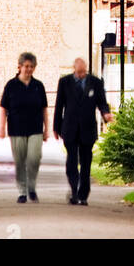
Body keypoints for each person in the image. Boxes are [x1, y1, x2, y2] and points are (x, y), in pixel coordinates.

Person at [51, 56, 112, 205]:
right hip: (70, 128)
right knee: (71, 161)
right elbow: (59, 106)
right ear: (74, 70)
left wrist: (106, 113)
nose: (81, 75)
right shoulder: (65, 82)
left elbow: (102, 102)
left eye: (83, 72)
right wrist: (56, 127)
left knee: (86, 162)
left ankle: (83, 194)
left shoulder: (95, 83)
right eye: (79, 72)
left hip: (87, 128)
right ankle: (74, 191)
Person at [0, 51, 48, 203]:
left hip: (35, 128)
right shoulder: (11, 86)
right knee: (19, 161)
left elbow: (44, 109)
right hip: (16, 128)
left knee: (34, 158)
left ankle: (31, 187)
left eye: (32, 66)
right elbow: (3, 108)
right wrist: (1, 128)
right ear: (19, 67)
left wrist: (47, 129)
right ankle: (22, 191)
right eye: (26, 66)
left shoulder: (38, 86)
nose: (29, 69)